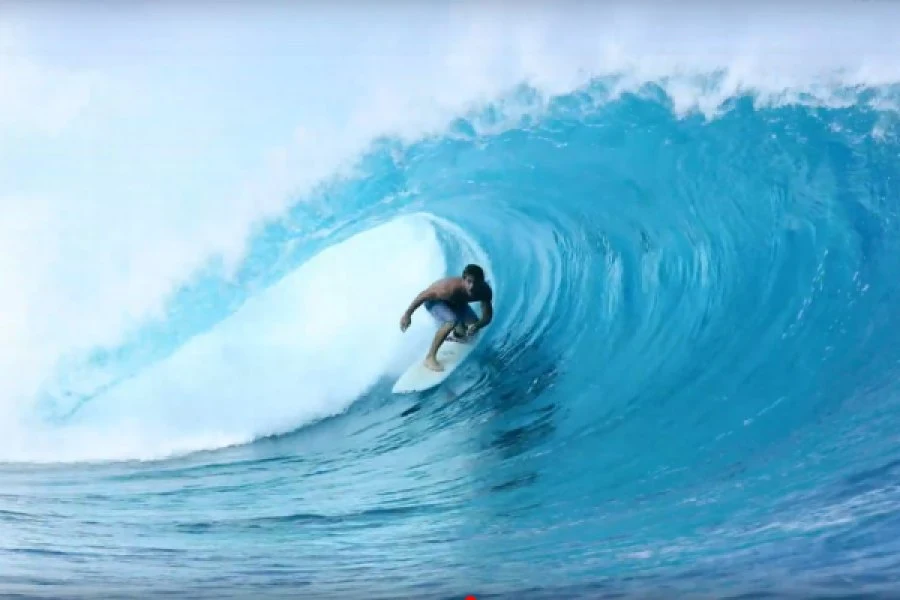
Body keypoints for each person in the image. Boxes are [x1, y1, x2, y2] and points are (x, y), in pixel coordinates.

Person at [399, 263, 494, 372]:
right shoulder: (448, 289)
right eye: (469, 281)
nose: (472, 286)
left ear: (482, 282)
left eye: (476, 282)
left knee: (473, 328)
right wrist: (408, 314)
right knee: (451, 321)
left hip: (457, 302)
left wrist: (477, 325)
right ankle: (430, 357)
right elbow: (424, 295)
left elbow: (487, 317)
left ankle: (458, 335)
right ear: (463, 279)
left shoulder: (485, 292)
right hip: (434, 302)